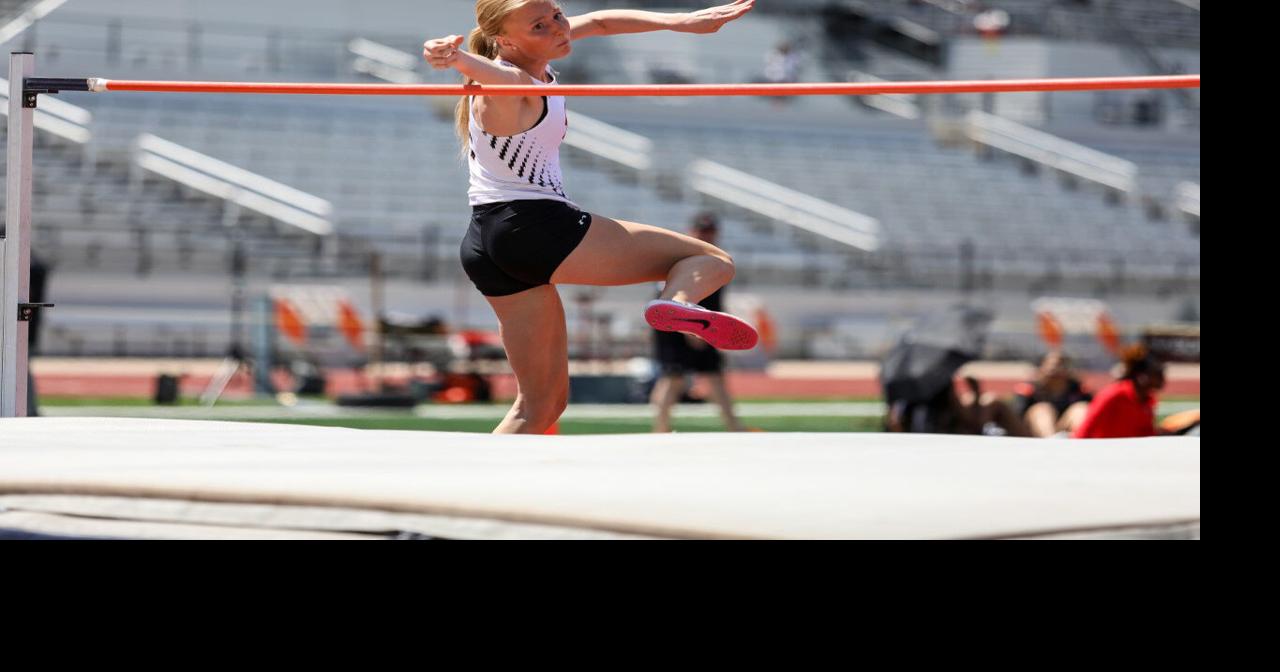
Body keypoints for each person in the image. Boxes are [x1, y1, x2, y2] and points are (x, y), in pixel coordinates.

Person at [424, 0, 760, 434]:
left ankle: (472, 489)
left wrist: (679, 21)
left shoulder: (538, 51)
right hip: (535, 226)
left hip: (485, 242)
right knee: (711, 261)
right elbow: (500, 77)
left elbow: (601, 21)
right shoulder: (509, 82)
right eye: (541, 26)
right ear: (505, 40)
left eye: (559, 16)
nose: (560, 29)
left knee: (540, 406)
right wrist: (454, 58)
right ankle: (675, 304)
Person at [650, 213, 747, 433]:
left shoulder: (715, 257)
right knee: (672, 377)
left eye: (710, 232)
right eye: (702, 231)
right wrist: (690, 330)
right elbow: (673, 296)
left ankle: (735, 427)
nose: (707, 235)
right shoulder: (684, 257)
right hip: (681, 326)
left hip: (705, 325)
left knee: (714, 376)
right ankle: (660, 429)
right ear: (692, 232)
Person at [1073, 344, 1167, 439]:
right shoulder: (1114, 394)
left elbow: (1147, 434)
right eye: (1157, 374)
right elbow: (1086, 428)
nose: (1162, 378)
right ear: (1142, 376)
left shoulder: (1148, 401)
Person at [1012, 350, 1092, 438]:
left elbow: (1093, 412)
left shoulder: (1078, 390)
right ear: (1041, 368)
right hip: (1034, 433)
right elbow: (1017, 417)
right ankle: (1051, 442)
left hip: (1065, 429)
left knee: (1080, 408)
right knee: (1042, 409)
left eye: (1061, 366)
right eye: (1052, 367)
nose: (1056, 370)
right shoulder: (1029, 389)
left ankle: (1081, 440)